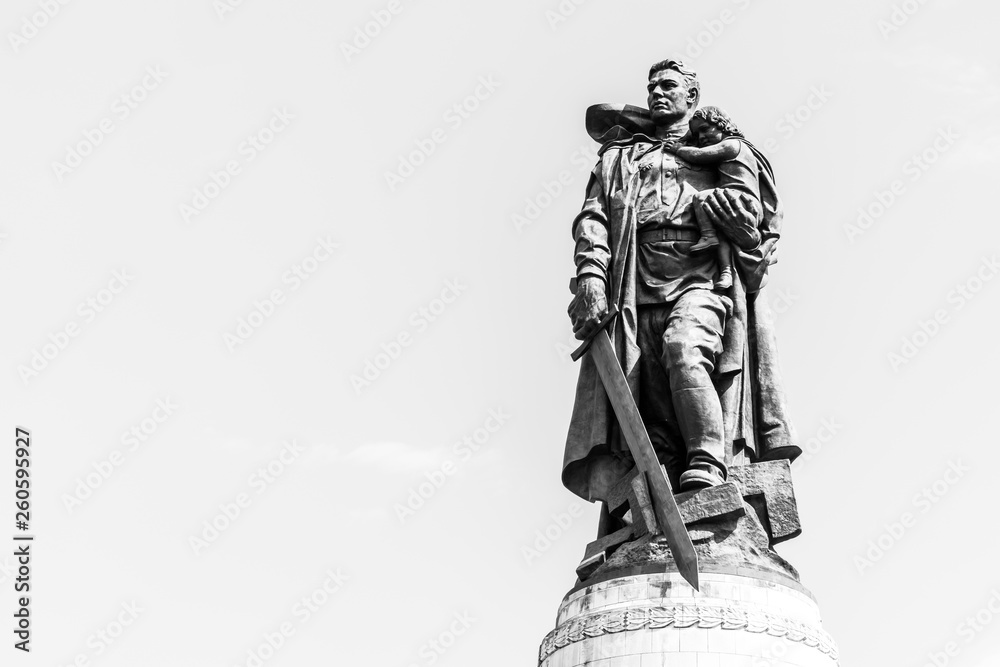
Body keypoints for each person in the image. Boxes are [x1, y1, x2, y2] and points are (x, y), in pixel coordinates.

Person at [564, 60, 799, 504]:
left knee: (684, 347)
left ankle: (709, 461)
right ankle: (664, 494)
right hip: (633, 281)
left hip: (702, 273)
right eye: (651, 86)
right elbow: (593, 220)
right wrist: (592, 276)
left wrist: (744, 231)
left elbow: (758, 224)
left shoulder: (719, 147)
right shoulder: (620, 157)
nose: (657, 92)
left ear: (692, 96)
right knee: (646, 391)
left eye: (668, 85)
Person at [665, 105, 765, 291]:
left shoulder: (732, 145)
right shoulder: (738, 147)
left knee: (701, 198)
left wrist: (679, 149)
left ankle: (708, 236)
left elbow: (699, 155)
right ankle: (726, 272)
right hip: (737, 201)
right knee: (723, 231)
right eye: (697, 134)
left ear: (722, 125)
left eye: (705, 129)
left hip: (740, 200)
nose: (701, 137)